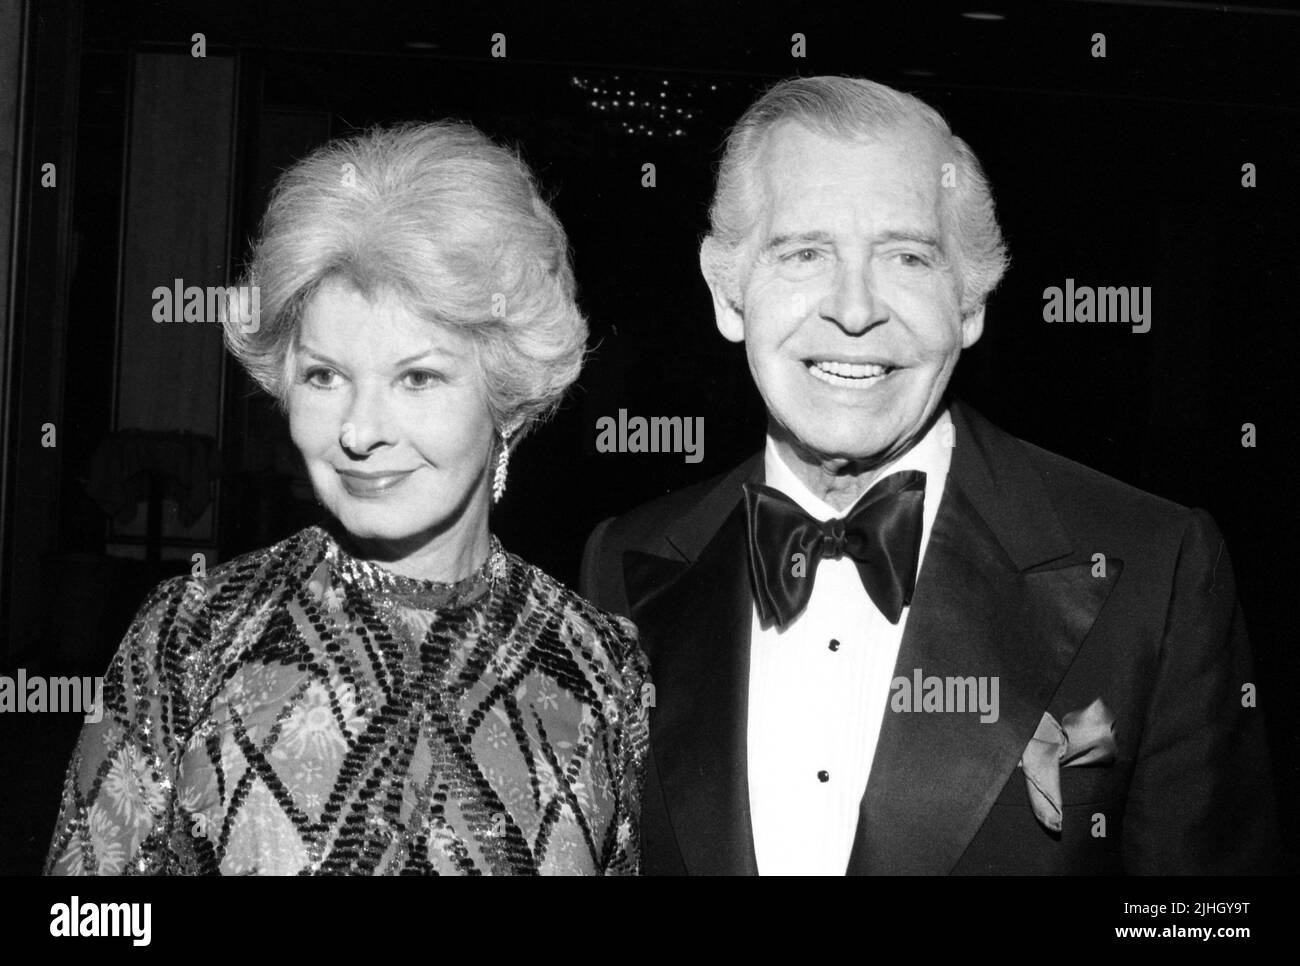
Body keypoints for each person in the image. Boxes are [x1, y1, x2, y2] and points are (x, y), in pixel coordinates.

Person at [580, 76, 1278, 875]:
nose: (854, 310)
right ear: (727, 292)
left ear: (970, 303)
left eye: (907, 257)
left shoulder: (1156, 570)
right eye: (804, 253)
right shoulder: (619, 571)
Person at [46, 120, 648, 875]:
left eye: (417, 378)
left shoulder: (600, 667)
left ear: (508, 398)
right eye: (325, 376)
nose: (359, 431)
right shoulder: (190, 638)